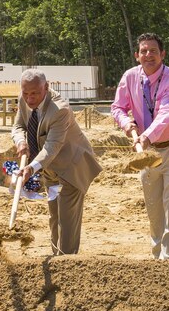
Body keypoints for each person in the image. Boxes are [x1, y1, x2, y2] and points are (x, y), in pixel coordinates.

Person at [110, 33, 169, 260]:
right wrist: (127, 124)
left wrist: (145, 136)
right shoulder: (129, 77)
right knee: (154, 210)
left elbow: (166, 114)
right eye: (144, 51)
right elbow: (117, 107)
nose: (148, 55)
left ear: (162, 54)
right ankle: (157, 260)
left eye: (153, 51)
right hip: (147, 153)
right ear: (137, 56)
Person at [12, 69, 102, 255]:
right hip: (50, 169)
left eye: (35, 93)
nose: (29, 98)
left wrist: (32, 167)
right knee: (55, 216)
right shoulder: (24, 98)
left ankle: (67, 263)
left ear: (46, 86)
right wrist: (21, 141)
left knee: (66, 220)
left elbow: (52, 147)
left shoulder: (60, 110)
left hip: (71, 167)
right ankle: (57, 258)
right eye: (25, 93)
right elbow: (19, 125)